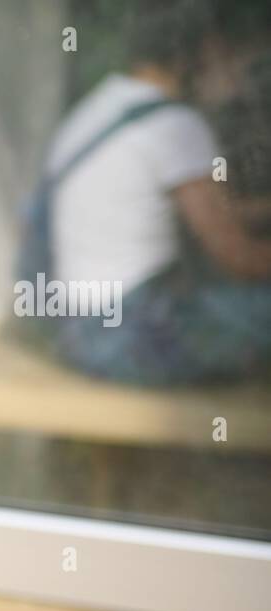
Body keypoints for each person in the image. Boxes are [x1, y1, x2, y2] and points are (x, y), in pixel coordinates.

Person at [15, 0, 271, 385]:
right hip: (130, 338)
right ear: (192, 56)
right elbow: (237, 257)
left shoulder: (95, 111)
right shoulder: (175, 124)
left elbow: (220, 213)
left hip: (78, 333)